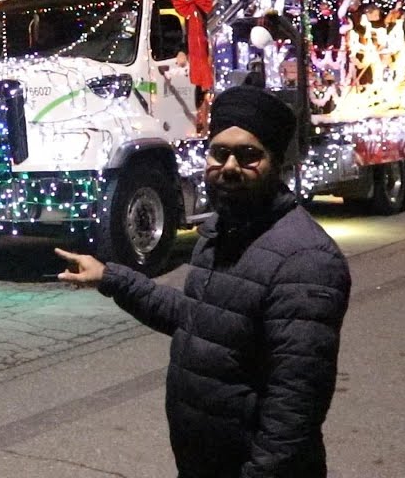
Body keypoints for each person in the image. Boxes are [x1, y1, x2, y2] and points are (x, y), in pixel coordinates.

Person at [55, 85, 352, 477]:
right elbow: (199, 320)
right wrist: (112, 276)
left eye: (248, 156)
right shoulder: (221, 233)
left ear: (276, 163)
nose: (229, 166)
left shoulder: (306, 259)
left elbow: (294, 408)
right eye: (219, 152)